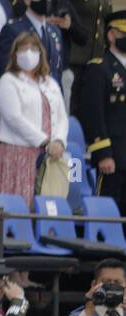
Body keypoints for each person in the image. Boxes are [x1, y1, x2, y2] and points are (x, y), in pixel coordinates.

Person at [0, 30, 68, 209]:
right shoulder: (8, 81)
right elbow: (13, 118)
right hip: (18, 154)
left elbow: (62, 117)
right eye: (23, 48)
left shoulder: (50, 83)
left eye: (33, 48)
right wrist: (44, 141)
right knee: (16, 208)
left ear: (41, 53)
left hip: (50, 155)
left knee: (51, 199)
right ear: (15, 53)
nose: (28, 53)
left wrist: (59, 142)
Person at [81, 10, 126, 210]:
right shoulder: (100, 68)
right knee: (107, 212)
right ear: (111, 35)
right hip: (113, 157)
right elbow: (93, 115)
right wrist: (104, 153)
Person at [0, 0, 66, 82]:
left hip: (51, 92)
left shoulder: (55, 31)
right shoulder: (13, 30)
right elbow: (5, 71)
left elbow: (57, 72)